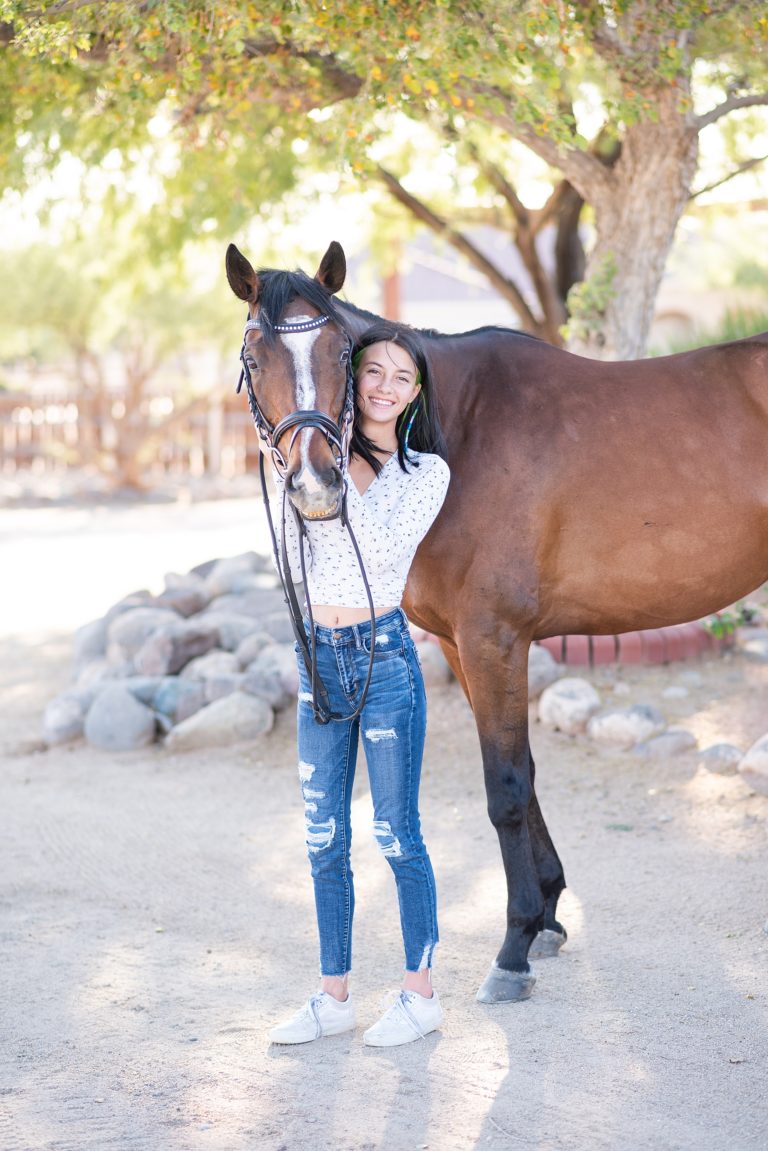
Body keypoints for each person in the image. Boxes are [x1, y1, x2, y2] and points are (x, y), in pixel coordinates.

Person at [267, 321, 450, 1047]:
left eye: (401, 378)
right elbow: (291, 547)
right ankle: (333, 995)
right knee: (322, 836)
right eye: (373, 371)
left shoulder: (423, 473)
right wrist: (305, 458)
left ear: (414, 394)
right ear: (352, 376)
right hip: (319, 658)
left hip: (384, 663)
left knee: (396, 833)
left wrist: (332, 470)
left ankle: (420, 992)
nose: (384, 386)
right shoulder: (314, 456)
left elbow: (378, 549)